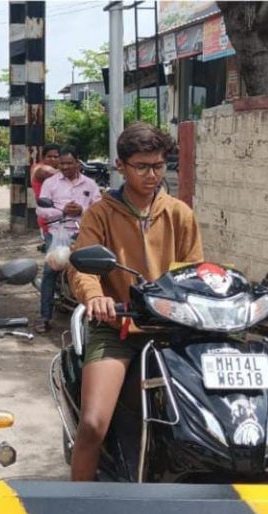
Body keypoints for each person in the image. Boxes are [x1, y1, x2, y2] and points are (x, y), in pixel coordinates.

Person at [68, 122, 204, 482]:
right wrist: (96, 298)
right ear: (120, 166)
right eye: (141, 167)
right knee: (93, 424)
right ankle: (76, 504)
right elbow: (81, 268)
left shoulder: (179, 214)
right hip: (118, 329)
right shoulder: (100, 213)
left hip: (172, 330)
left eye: (158, 166)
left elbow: (194, 272)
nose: (151, 175)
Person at [34, 146, 101, 334]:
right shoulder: (50, 183)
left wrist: (82, 211)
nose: (64, 167)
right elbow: (40, 210)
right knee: (50, 270)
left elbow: (99, 208)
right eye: (61, 163)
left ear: (78, 162)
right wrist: (62, 212)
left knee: (96, 267)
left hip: (84, 232)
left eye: (69, 163)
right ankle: (45, 317)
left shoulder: (90, 184)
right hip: (57, 232)